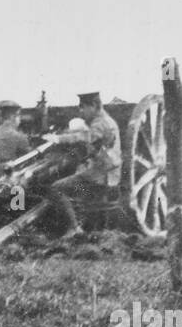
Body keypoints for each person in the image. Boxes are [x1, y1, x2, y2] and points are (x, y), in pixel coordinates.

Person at [37, 91, 120, 239]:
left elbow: (85, 137)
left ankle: (75, 228)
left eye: (83, 108)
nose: (81, 112)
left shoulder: (102, 123)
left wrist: (58, 139)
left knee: (58, 188)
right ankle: (80, 225)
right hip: (102, 173)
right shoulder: (103, 121)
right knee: (74, 185)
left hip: (100, 175)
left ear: (94, 105)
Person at [0, 100, 30, 187]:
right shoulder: (19, 137)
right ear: (13, 117)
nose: (20, 120)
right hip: (10, 181)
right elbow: (28, 159)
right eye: (19, 116)